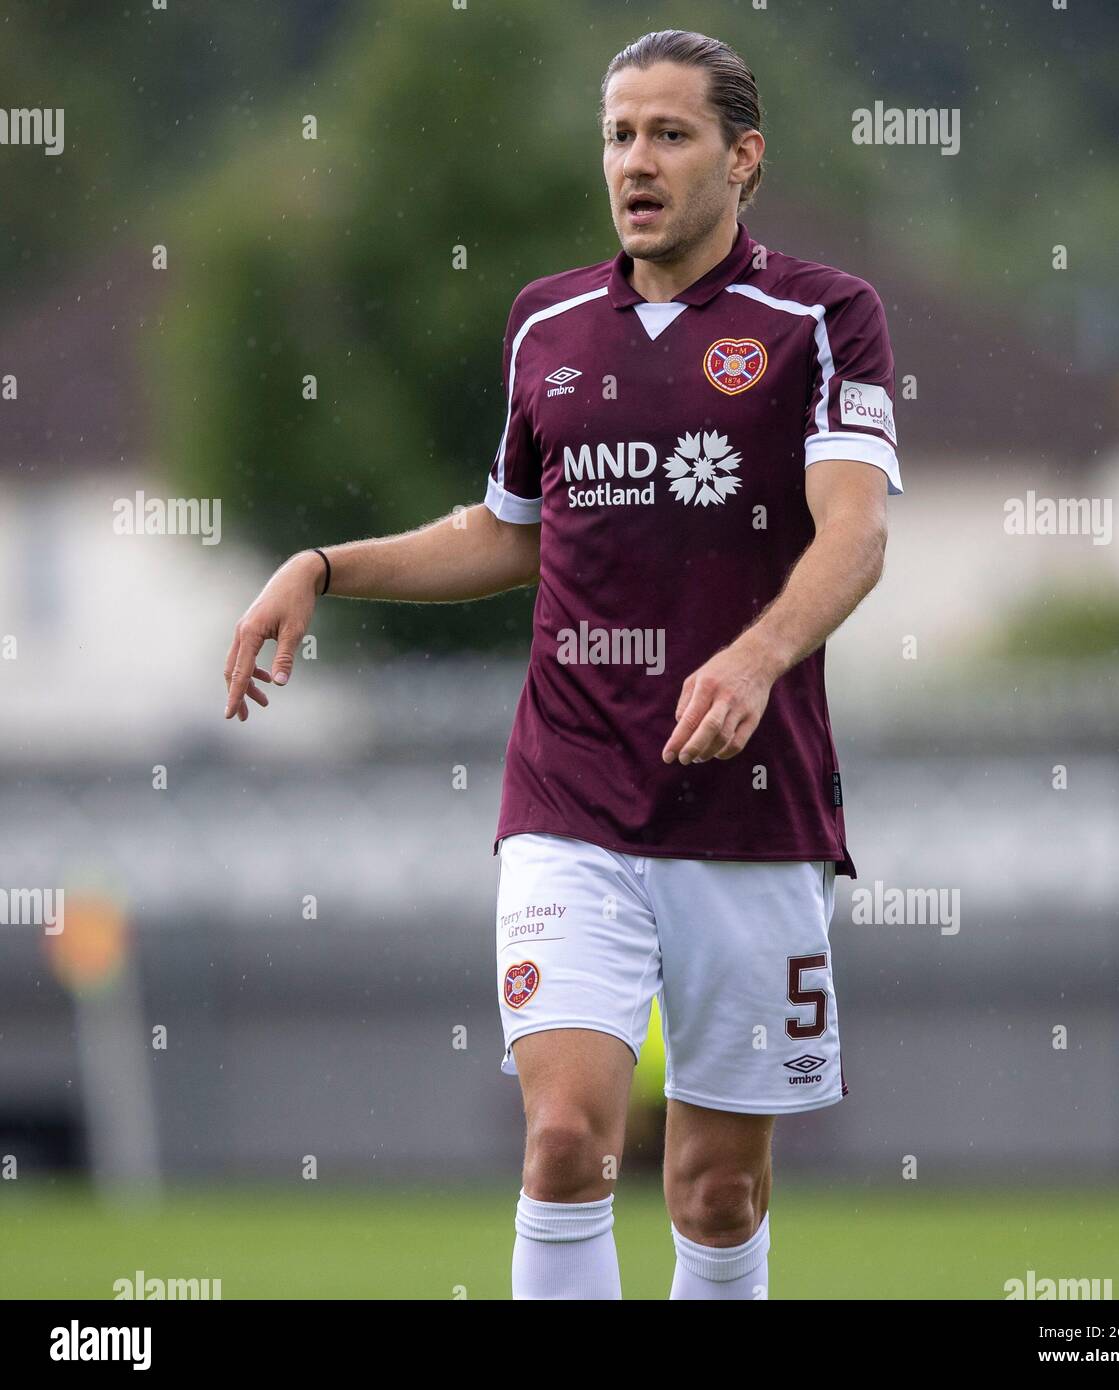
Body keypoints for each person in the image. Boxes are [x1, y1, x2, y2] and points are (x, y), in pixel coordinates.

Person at [223, 27, 902, 1300]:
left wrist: (755, 659)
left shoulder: (822, 318)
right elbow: (503, 534)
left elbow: (854, 534)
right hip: (568, 797)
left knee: (712, 1187)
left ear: (742, 157)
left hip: (750, 812)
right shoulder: (546, 324)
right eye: (616, 135)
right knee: (564, 1141)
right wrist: (321, 565)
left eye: (668, 134)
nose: (633, 162)